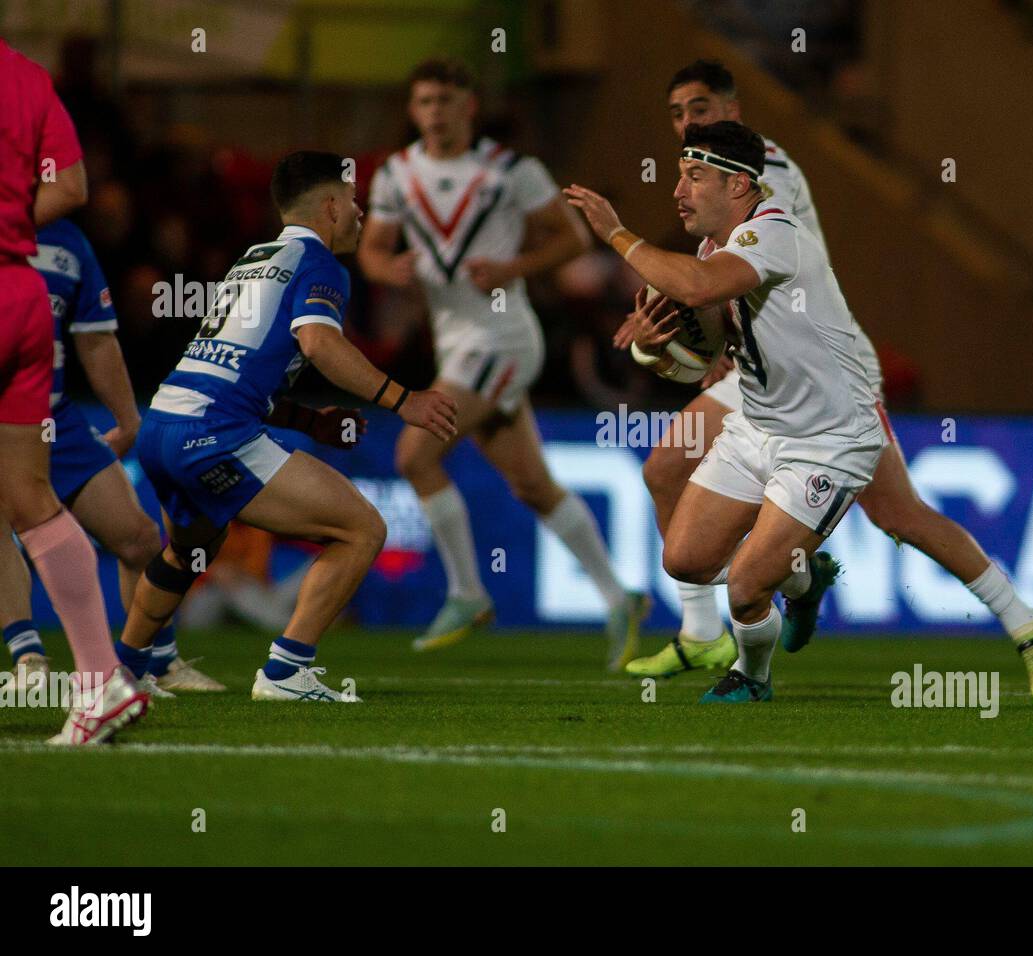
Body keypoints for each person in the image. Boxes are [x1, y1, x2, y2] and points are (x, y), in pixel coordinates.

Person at [620, 60, 1033, 699]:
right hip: (766, 369)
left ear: (734, 112)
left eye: (700, 109)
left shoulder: (765, 180)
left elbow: (736, 276)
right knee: (666, 470)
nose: (688, 123)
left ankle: (1023, 622)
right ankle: (732, 613)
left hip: (822, 368)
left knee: (898, 514)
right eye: (678, 116)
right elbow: (708, 315)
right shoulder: (708, 215)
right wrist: (660, 351)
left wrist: (629, 243)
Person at [119, 150, 457, 702]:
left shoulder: (254, 257)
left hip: (164, 424)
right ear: (329, 205)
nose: (359, 216)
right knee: (361, 529)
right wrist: (403, 400)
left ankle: (124, 672)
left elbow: (234, 363)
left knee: (187, 553)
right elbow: (320, 344)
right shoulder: (321, 263)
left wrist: (306, 421)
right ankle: (286, 672)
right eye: (353, 203)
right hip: (215, 431)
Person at [567, 120, 883, 702]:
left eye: (694, 176)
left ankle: (752, 676)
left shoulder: (774, 232)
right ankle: (803, 578)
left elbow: (697, 289)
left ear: (739, 186)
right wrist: (656, 348)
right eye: (678, 177)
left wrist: (616, 235)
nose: (677, 191)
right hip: (756, 427)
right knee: (684, 562)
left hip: (828, 439)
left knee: (743, 587)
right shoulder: (716, 249)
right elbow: (706, 358)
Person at [359, 59, 648, 670]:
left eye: (445, 99)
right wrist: (393, 271)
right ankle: (620, 596)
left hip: (502, 338)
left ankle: (467, 592)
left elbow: (570, 238)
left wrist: (511, 269)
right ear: (413, 111)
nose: (435, 111)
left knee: (415, 453)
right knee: (532, 486)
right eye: (425, 101)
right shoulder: (396, 173)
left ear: (469, 106)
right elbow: (373, 252)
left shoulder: (511, 171)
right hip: (456, 342)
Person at [1, 218, 224, 700]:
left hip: (55, 417)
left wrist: (128, 420)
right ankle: (28, 659)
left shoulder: (68, 240)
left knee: (139, 537)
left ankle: (153, 663)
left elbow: (96, 339)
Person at [0, 37, 147, 744]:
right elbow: (72, 184)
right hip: (22, 301)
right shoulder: (29, 81)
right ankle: (96, 680)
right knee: (27, 499)